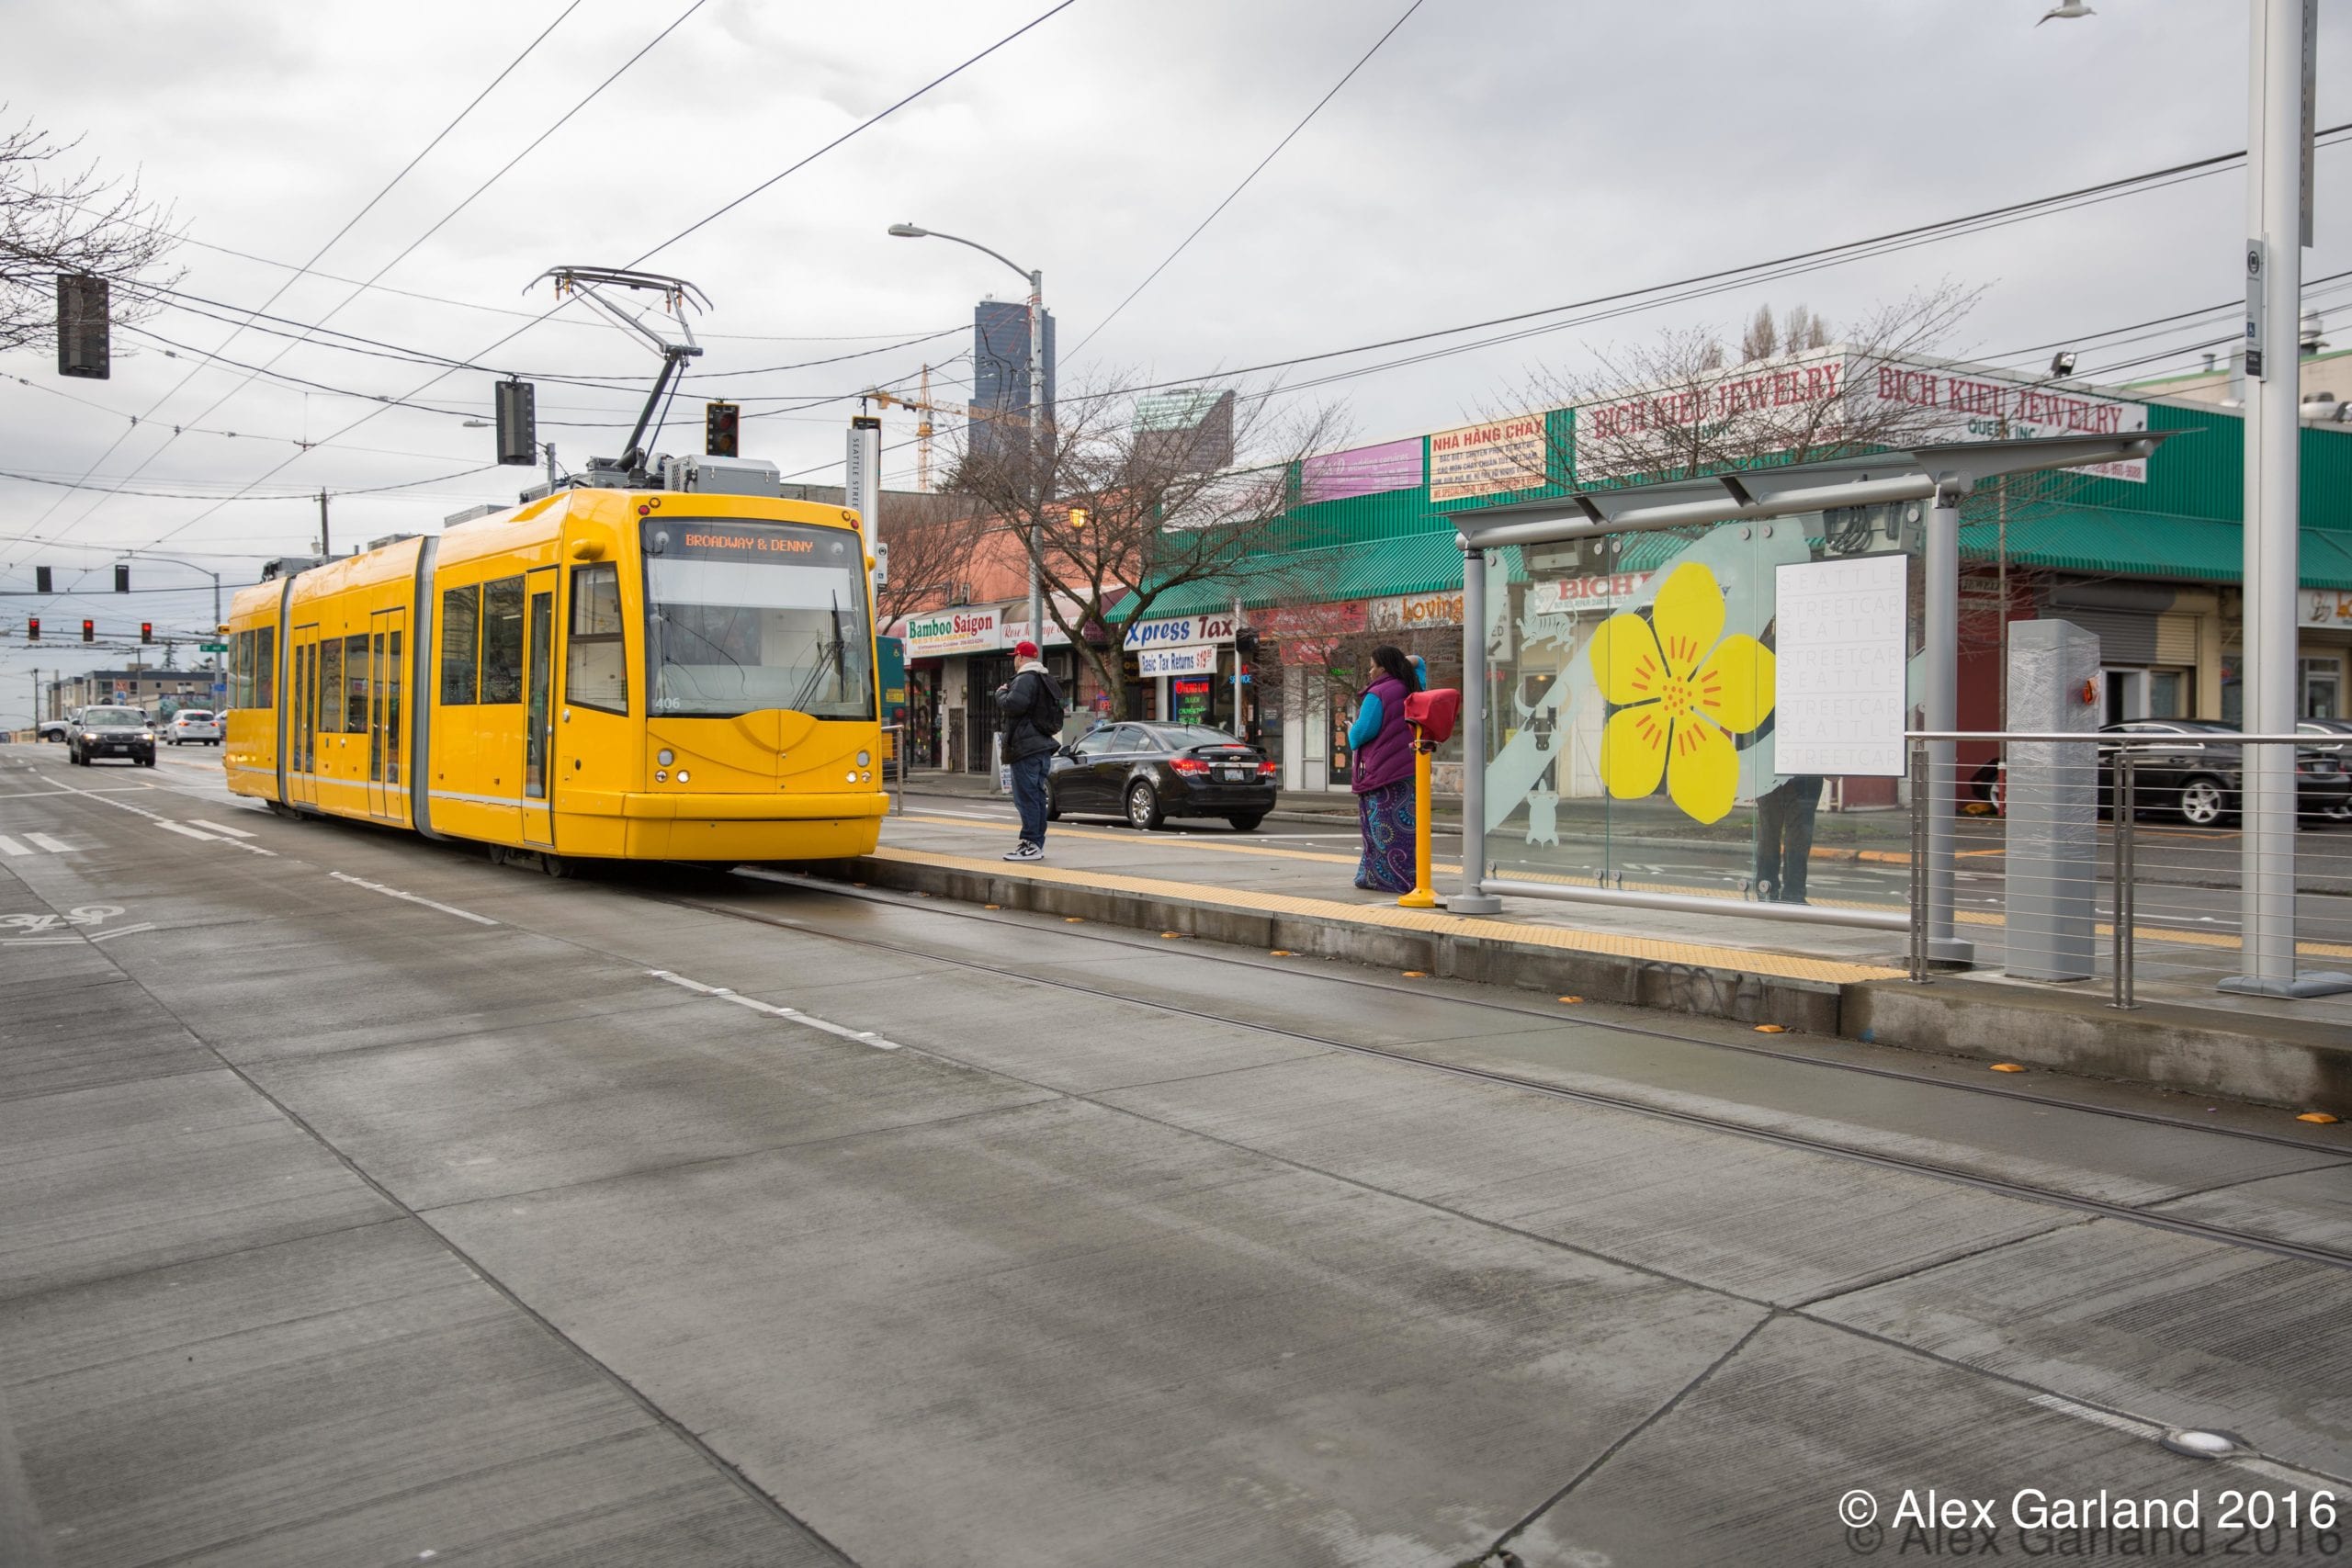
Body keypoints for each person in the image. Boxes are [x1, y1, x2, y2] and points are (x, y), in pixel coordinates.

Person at [1346, 645, 1425, 893]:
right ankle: (1412, 876)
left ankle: (1385, 879)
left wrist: (1350, 731)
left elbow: (1361, 734)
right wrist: (1399, 662)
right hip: (1409, 770)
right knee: (1407, 828)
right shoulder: (1413, 685)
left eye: (1373, 666)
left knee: (1381, 831)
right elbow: (1419, 661)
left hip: (1381, 774)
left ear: (1383, 668)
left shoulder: (1377, 694)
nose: (1370, 672)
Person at [997, 640, 1065, 862]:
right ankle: (1035, 843)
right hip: (1042, 747)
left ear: (1020, 657)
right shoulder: (1046, 679)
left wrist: (1000, 694)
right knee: (1036, 797)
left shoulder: (1025, 679)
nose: (1014, 662)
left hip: (1026, 749)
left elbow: (1013, 705)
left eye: (1015, 657)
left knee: (1026, 798)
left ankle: (1031, 844)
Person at [1754, 773, 1825, 903]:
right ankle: (1793, 895)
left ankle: (1766, 889)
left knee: (1769, 831)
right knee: (1798, 834)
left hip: (1769, 773)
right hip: (1804, 776)